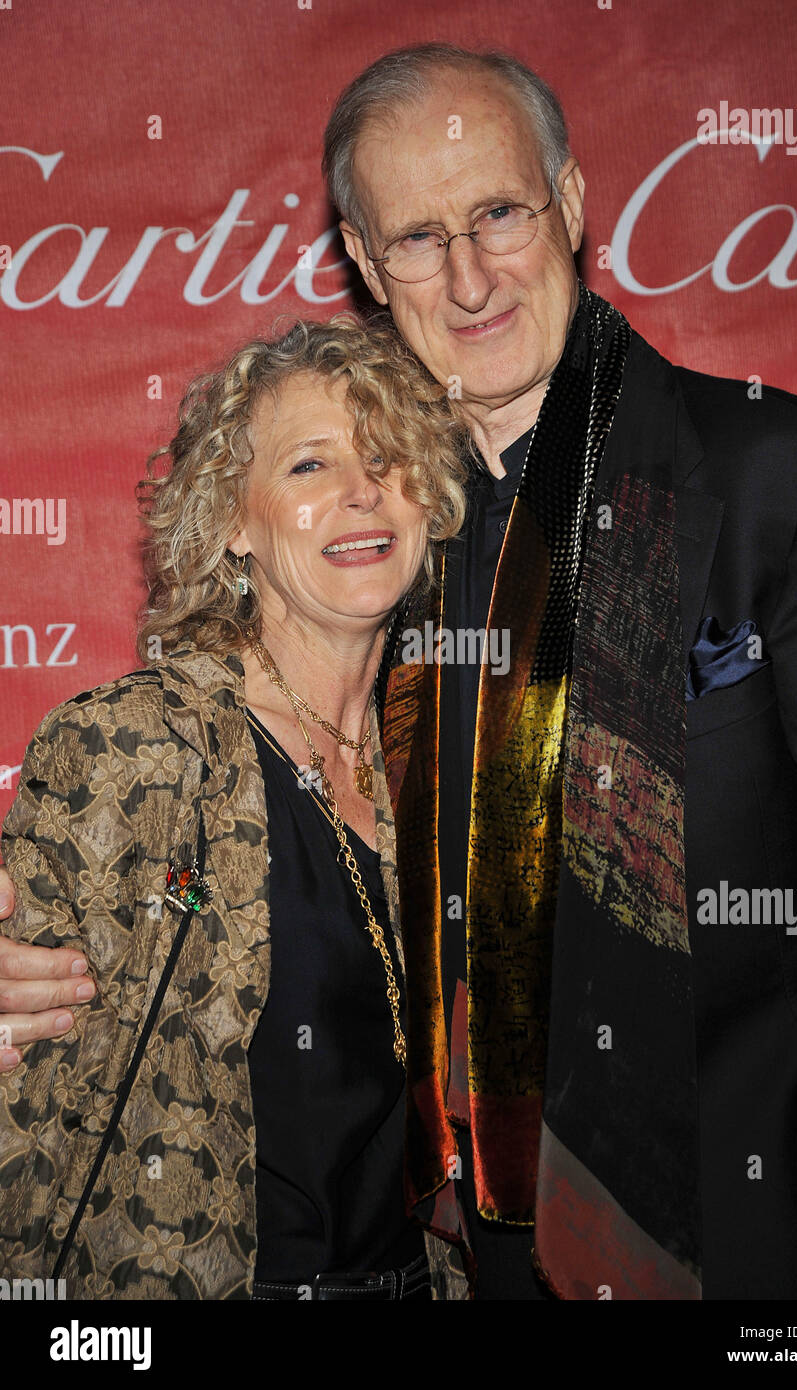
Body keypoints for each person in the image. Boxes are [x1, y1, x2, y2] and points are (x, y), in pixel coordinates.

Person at [3, 43, 797, 1301]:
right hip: (456, 1270)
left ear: (574, 203)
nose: (472, 275)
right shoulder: (375, 563)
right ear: (369, 268)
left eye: (499, 212)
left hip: (755, 1256)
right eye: (420, 238)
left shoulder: (788, 479)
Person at [0, 314, 470, 1299]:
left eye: (388, 457)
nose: (361, 491)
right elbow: (24, 1066)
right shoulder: (137, 748)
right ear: (229, 524)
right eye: (310, 466)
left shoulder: (451, 759)